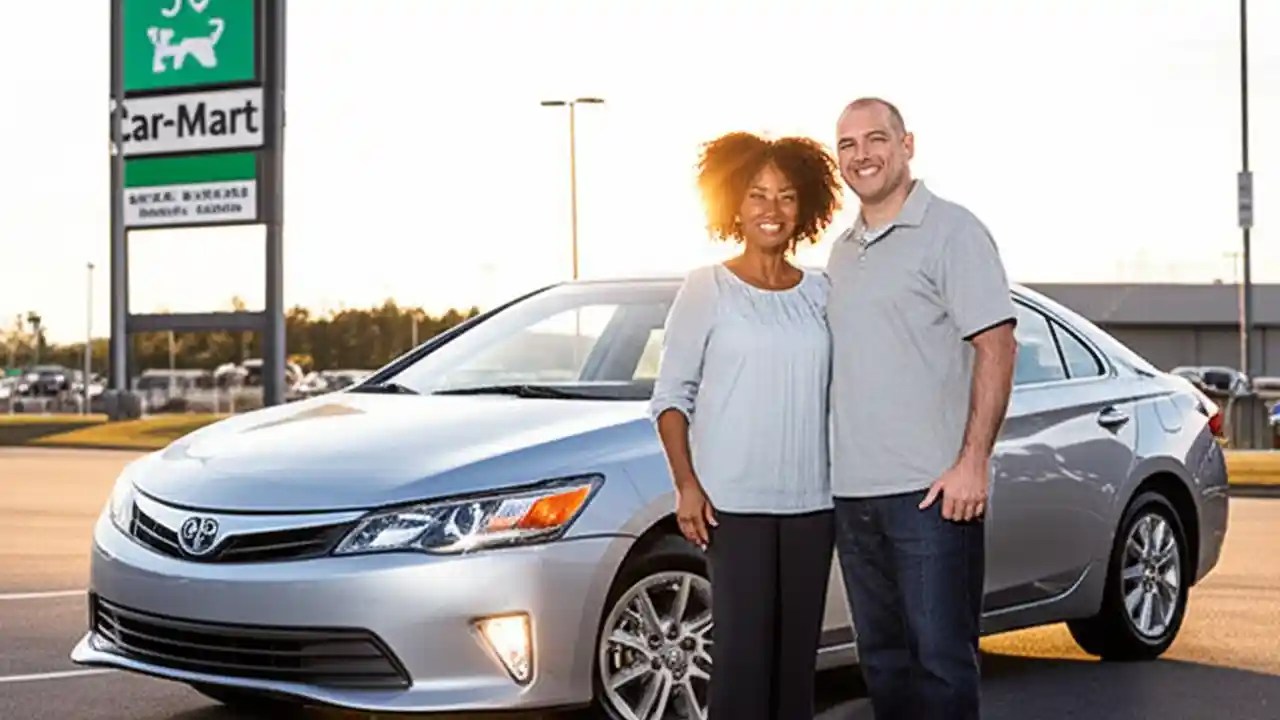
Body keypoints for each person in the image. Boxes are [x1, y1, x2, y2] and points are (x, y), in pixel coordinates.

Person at [825, 97, 1018, 720]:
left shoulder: (953, 231)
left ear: (907, 145)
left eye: (876, 139)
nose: (863, 155)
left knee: (941, 664)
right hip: (854, 496)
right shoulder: (842, 249)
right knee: (882, 662)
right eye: (848, 146)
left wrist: (972, 463)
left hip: (932, 496)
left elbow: (996, 344)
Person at [649, 130, 842, 720]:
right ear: (734, 203)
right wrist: (687, 484)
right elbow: (670, 398)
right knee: (741, 665)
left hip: (814, 504)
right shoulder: (707, 288)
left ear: (804, 207)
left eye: (786, 196)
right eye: (757, 195)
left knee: (794, 670)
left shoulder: (823, 293)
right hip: (733, 506)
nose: (772, 210)